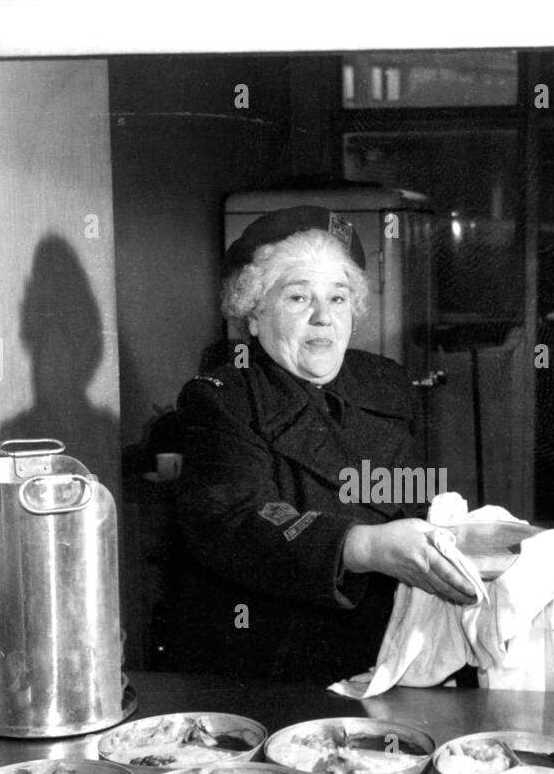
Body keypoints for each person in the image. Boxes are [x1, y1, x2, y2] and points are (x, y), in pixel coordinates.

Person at [159, 205, 475, 683]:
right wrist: (361, 545)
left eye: (339, 298)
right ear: (254, 313)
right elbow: (238, 522)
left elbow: (409, 494)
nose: (324, 318)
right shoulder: (221, 399)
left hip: (386, 646)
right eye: (299, 298)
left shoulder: (386, 383)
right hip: (269, 659)